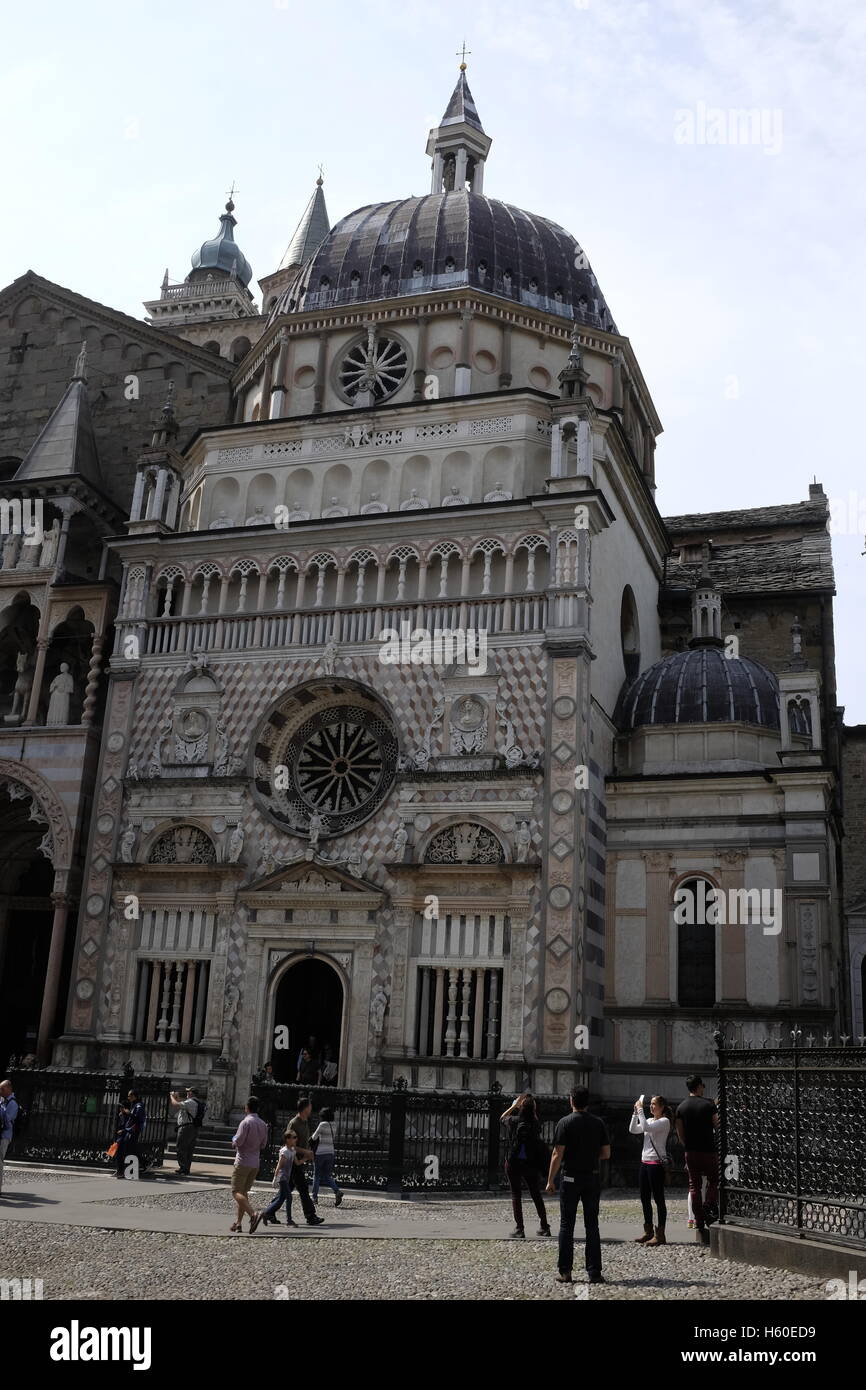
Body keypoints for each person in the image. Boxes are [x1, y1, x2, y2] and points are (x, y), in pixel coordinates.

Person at [546, 1086, 611, 1285]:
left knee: (567, 1225)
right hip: (591, 1177)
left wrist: (550, 1180)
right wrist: (590, 1157)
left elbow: (558, 1154)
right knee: (592, 1225)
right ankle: (594, 1272)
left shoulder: (565, 1123)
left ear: (571, 1100)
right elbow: (606, 1153)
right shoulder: (598, 1123)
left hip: (570, 1178)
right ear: (587, 1102)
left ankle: (565, 1271)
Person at [676, 1075, 720, 1245]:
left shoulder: (681, 1107)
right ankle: (709, 1205)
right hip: (709, 1150)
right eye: (702, 1085)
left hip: (691, 1151)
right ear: (699, 1087)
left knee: (694, 1186)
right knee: (714, 1180)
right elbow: (716, 1125)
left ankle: (699, 1221)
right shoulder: (709, 1105)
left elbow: (680, 1133)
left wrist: (687, 1144)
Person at [500, 1092, 550, 1239]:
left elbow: (501, 1118)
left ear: (521, 1108)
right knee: (535, 1193)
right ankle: (544, 1226)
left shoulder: (513, 1121)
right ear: (533, 1109)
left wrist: (513, 1106)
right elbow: (533, 1119)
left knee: (516, 1194)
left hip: (513, 1161)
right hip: (530, 1162)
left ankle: (519, 1228)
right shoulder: (535, 1123)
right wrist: (530, 1107)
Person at [629, 1095, 673, 1246]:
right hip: (645, 1162)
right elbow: (633, 1129)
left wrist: (640, 1109)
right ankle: (648, 1231)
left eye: (654, 1104)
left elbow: (647, 1129)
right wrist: (636, 1113)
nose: (651, 1107)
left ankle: (660, 1234)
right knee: (644, 1198)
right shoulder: (648, 1120)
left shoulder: (664, 1121)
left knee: (659, 1199)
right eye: (650, 1104)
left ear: (661, 1107)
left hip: (656, 1164)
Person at [230, 1096, 269, 1234]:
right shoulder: (263, 1124)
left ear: (247, 1108)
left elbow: (238, 1141)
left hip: (242, 1161)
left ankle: (253, 1214)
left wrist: (233, 1140)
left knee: (235, 1192)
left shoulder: (245, 1122)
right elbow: (263, 1144)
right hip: (255, 1163)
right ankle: (238, 1223)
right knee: (243, 1193)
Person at [287, 1097, 324, 1226]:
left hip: (301, 1160)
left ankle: (270, 1211)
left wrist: (309, 1153)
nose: (311, 1108)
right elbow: (289, 1145)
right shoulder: (294, 1123)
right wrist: (305, 1152)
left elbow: (305, 1141)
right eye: (310, 1106)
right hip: (293, 1160)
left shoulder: (305, 1122)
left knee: (287, 1189)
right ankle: (310, 1216)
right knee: (303, 1189)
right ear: (305, 1108)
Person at [260, 1128, 299, 1227]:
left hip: (286, 1177)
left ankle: (266, 1213)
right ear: (288, 1139)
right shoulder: (284, 1151)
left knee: (280, 1199)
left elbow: (297, 1162)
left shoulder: (292, 1151)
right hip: (282, 1178)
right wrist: (275, 1178)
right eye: (294, 1137)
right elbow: (279, 1165)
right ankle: (289, 1220)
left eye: (296, 1137)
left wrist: (306, 1158)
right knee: (289, 1197)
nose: (296, 1139)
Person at [311, 1106, 343, 1207]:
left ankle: (314, 1197)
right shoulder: (334, 1125)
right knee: (326, 1176)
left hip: (320, 1153)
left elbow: (314, 1137)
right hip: (330, 1152)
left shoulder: (322, 1124)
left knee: (316, 1176)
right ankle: (337, 1191)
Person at [115, 1090, 146, 1179]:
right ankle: (138, 1166)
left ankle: (131, 1169)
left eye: (129, 1096)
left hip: (133, 1131)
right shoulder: (134, 1105)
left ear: (134, 1096)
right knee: (130, 1150)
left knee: (128, 1150)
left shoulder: (139, 1105)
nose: (128, 1098)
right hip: (129, 1130)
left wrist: (129, 1113)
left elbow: (136, 1119)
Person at [170, 1087, 200, 1175]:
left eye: (188, 1091)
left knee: (181, 1148)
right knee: (189, 1149)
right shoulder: (197, 1102)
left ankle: (183, 1168)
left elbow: (175, 1104)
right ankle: (186, 1168)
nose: (186, 1093)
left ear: (192, 1093)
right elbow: (182, 1105)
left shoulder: (190, 1102)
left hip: (185, 1128)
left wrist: (171, 1096)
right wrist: (177, 1098)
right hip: (193, 1128)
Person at [0, 1079, 19, 1196]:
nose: (0, 1091)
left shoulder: (12, 1103)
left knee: (0, 1161)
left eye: (2, 1088)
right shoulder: (2, 1101)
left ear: (9, 1089)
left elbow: (7, 1120)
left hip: (4, 1136)